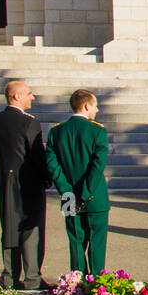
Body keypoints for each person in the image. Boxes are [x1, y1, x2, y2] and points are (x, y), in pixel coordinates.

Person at [0, 80, 48, 290]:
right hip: (28, 182)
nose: (33, 97)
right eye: (29, 94)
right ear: (17, 96)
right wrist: (47, 178)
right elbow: (37, 155)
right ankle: (32, 278)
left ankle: (9, 275)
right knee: (31, 230)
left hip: (4, 179)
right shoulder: (30, 123)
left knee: (9, 226)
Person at [45, 89, 109, 275]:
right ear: (87, 106)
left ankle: (77, 281)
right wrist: (85, 192)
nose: (97, 110)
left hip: (67, 195)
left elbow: (53, 165)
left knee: (75, 241)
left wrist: (66, 190)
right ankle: (97, 282)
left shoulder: (56, 132)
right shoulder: (97, 130)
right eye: (95, 106)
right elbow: (97, 165)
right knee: (97, 242)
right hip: (95, 196)